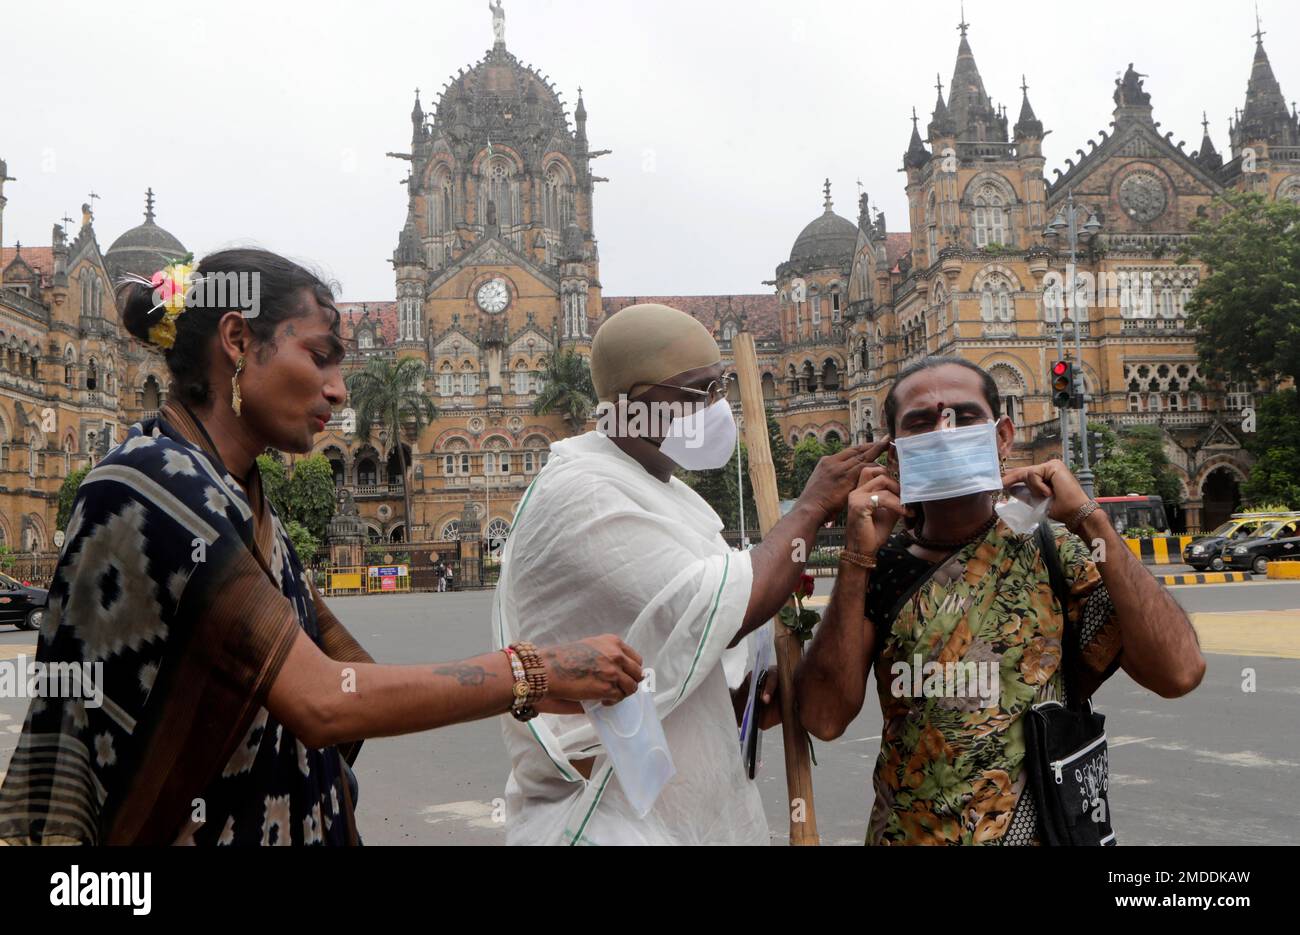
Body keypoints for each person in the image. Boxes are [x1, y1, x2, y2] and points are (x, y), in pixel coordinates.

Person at [0, 248, 642, 846]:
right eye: (319, 356)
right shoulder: (149, 484)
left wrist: (572, 699)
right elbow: (325, 699)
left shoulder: (238, 493)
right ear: (237, 342)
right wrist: (531, 673)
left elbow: (348, 669)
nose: (338, 389)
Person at [493, 302, 874, 845]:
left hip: (685, 812)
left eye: (723, 386)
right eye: (705, 390)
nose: (721, 406)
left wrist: (742, 696)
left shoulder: (663, 490)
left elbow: (686, 644)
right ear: (641, 403)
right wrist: (811, 507)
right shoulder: (583, 492)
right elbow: (726, 604)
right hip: (608, 817)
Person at [795, 356, 1205, 845]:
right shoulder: (880, 568)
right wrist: (856, 556)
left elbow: (1179, 672)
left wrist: (1090, 519)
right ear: (895, 453)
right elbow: (822, 718)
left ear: (1003, 436)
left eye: (965, 418)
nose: (945, 432)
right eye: (922, 423)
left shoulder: (1056, 550)